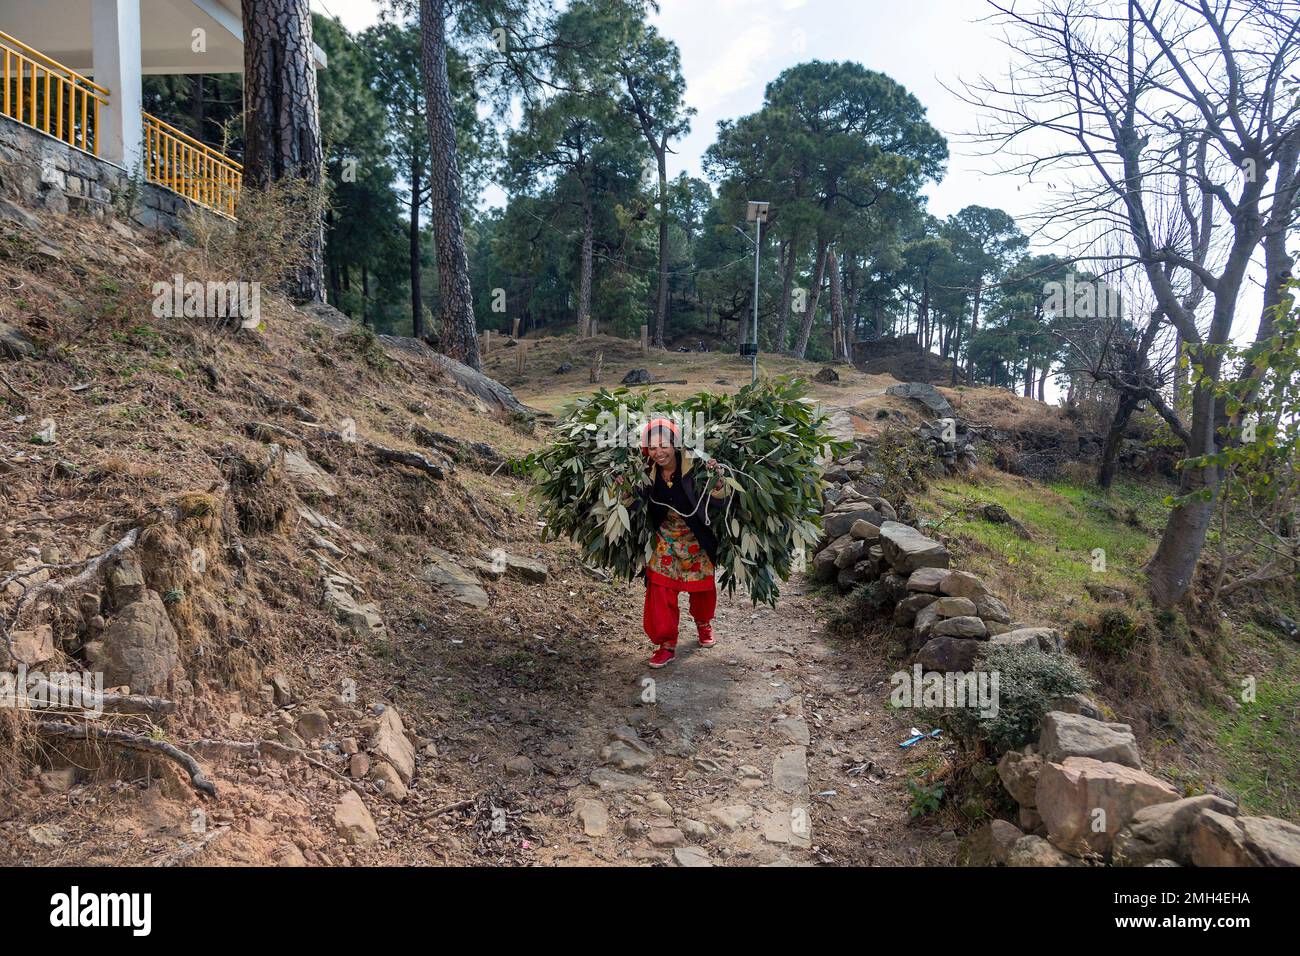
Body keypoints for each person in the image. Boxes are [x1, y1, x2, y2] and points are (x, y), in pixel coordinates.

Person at [633, 418, 730, 668]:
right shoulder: (646, 472)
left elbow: (718, 504)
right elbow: (635, 504)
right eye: (652, 448)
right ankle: (666, 644)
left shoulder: (696, 468)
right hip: (665, 535)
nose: (659, 452)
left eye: (664, 445)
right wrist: (622, 490)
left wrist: (717, 482)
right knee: (660, 585)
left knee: (702, 588)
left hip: (695, 535)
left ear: (675, 444)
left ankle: (703, 623)